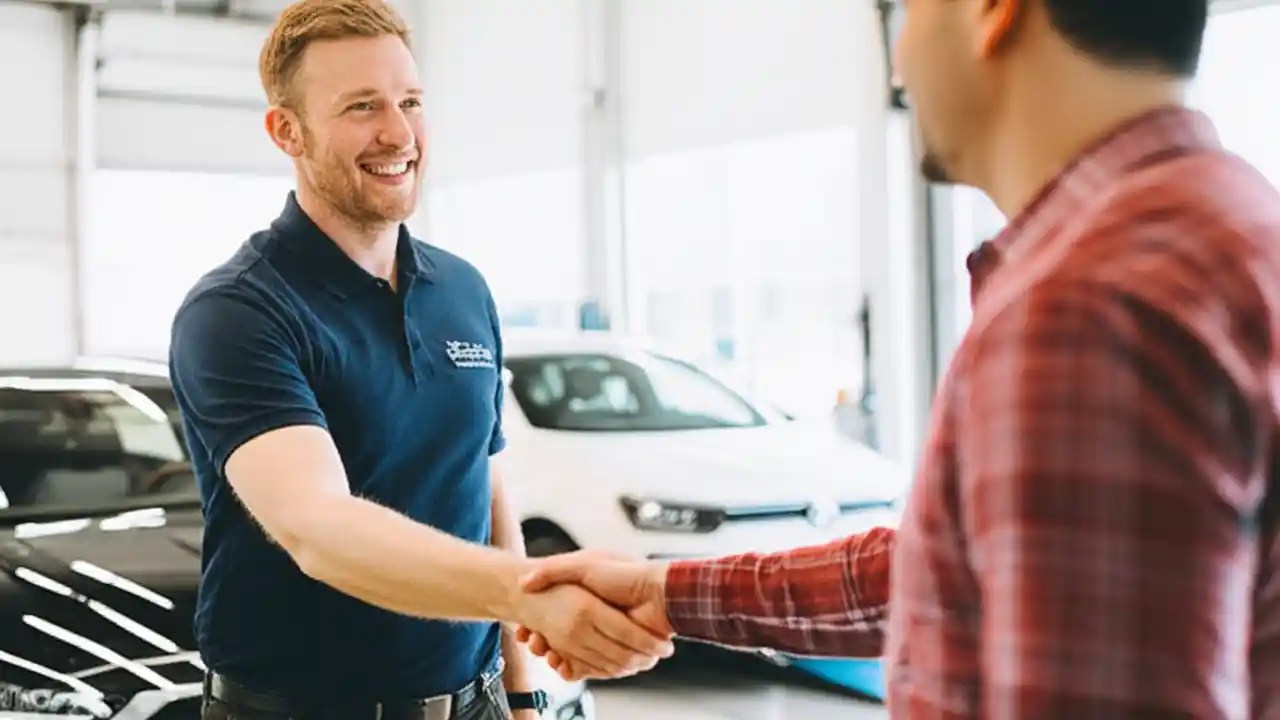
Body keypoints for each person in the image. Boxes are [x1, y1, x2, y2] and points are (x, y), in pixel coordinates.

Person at [517, 0, 1280, 716]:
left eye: (906, 12)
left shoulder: (1086, 307)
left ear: (991, 11)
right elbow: (949, 577)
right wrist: (669, 591)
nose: (897, 66)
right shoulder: (1227, 224)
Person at [167, 2, 672, 719]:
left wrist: (521, 692)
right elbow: (319, 528)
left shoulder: (462, 289)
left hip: (476, 703)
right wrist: (531, 592)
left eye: (410, 101)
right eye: (362, 106)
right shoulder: (238, 311)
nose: (399, 133)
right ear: (287, 131)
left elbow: (487, 487)